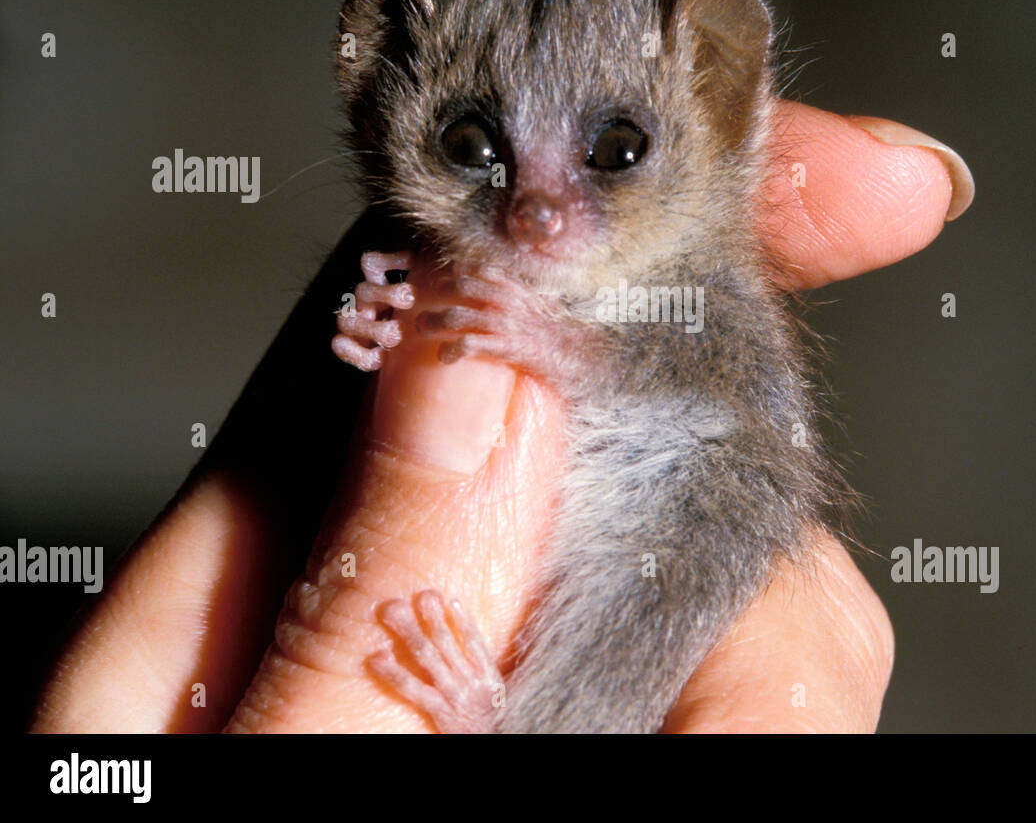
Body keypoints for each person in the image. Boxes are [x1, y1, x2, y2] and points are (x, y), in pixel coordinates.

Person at [29, 102, 973, 733]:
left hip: (652, 526)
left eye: (615, 153)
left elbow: (720, 376)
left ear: (716, 106)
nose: (536, 210)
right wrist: (369, 327)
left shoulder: (702, 270)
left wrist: (562, 345)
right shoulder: (418, 260)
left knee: (713, 536)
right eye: (474, 150)